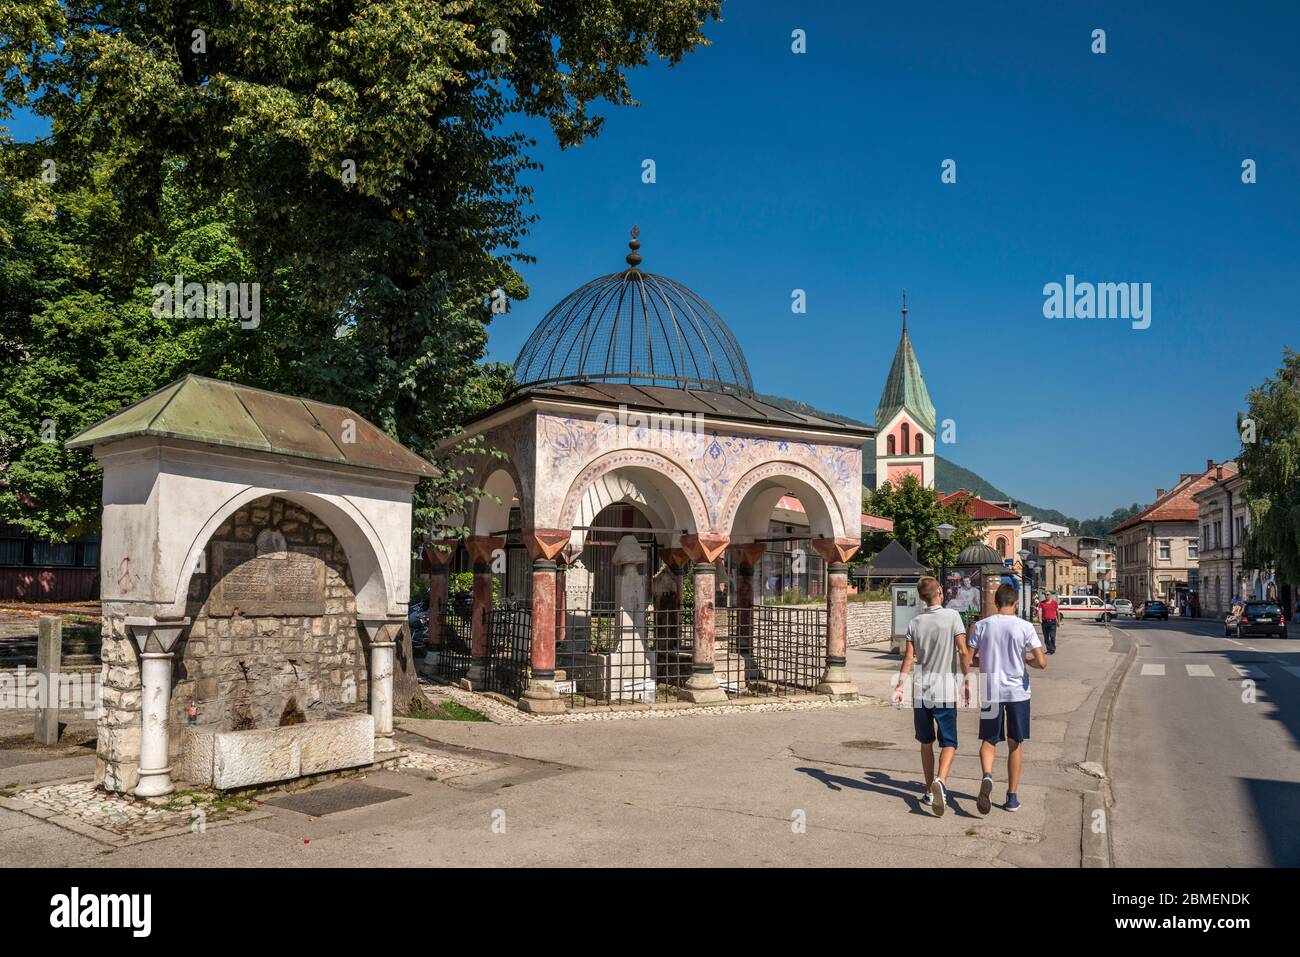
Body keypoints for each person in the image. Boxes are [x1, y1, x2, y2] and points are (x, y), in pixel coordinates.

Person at [964, 583, 1047, 814]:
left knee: (989, 739)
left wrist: (986, 662)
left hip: (991, 690)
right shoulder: (1025, 627)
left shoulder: (981, 626)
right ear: (1016, 604)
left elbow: (969, 660)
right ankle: (1011, 797)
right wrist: (1026, 661)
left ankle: (988, 775)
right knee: (1015, 743)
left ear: (995, 603)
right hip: (1018, 693)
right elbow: (1041, 662)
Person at [892, 576, 970, 817]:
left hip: (921, 690)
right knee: (949, 742)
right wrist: (967, 680)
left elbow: (908, 658)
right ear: (941, 592)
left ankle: (928, 790)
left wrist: (900, 686)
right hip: (945, 689)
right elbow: (963, 650)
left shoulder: (915, 622)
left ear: (921, 597)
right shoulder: (953, 617)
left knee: (926, 742)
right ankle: (941, 781)